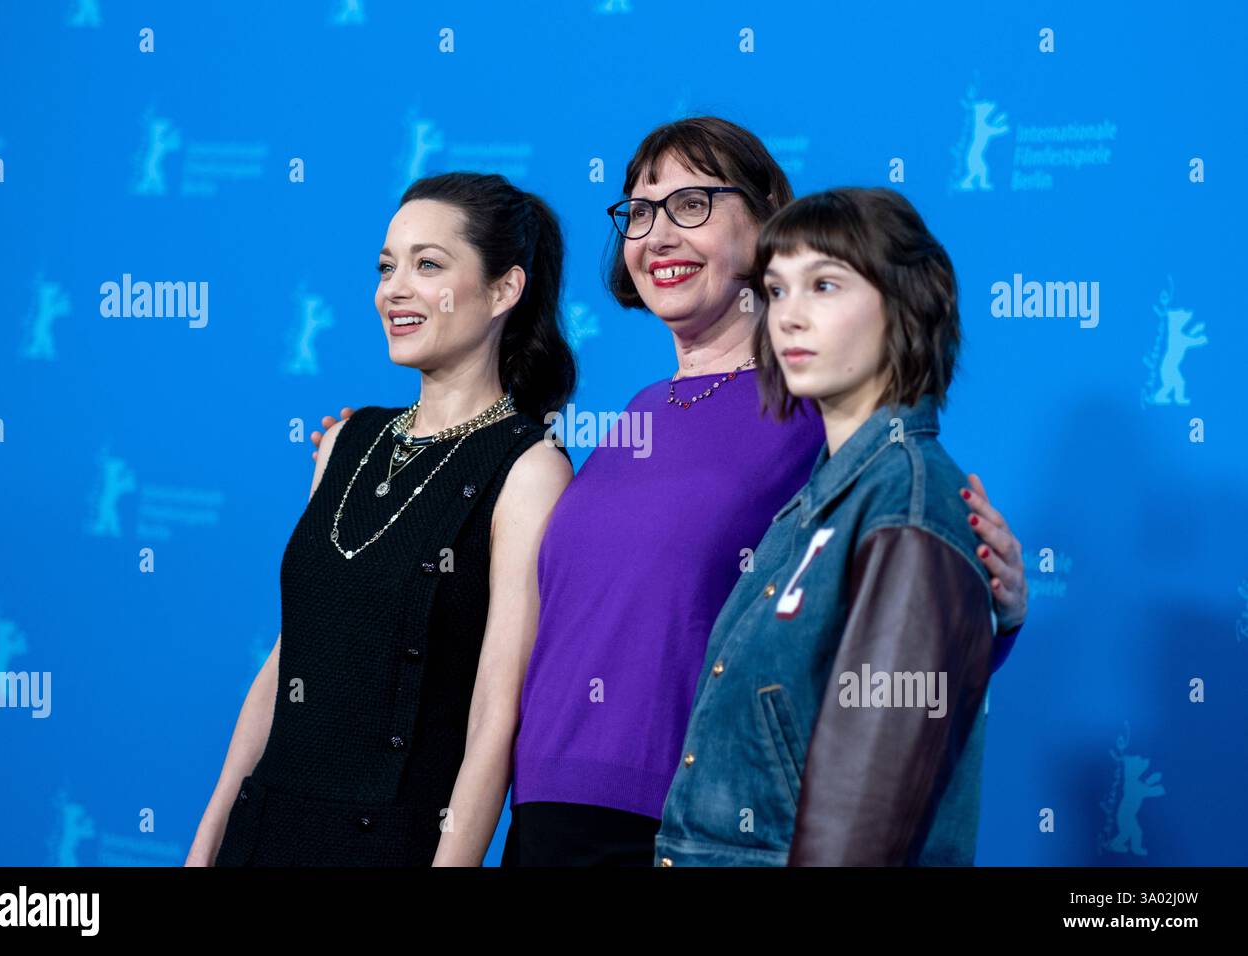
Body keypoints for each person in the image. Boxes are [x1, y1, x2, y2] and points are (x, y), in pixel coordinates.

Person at [313, 117, 1026, 867]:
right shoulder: (642, 410)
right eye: (642, 211)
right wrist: (377, 460)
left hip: (683, 829)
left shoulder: (816, 406)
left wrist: (993, 615)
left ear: (765, 224)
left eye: (693, 205)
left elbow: (896, 613)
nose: (658, 234)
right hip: (544, 817)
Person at [186, 172, 574, 866]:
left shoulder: (530, 470)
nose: (393, 290)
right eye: (387, 267)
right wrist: (208, 839)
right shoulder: (345, 440)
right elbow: (287, 664)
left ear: (503, 290)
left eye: (428, 265)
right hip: (264, 828)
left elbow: (494, 721)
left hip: (388, 843)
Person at [655, 186, 1000, 866]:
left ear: (908, 302)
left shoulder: (906, 503)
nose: (789, 317)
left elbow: (864, 819)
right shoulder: (821, 495)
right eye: (777, 291)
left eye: (825, 285)